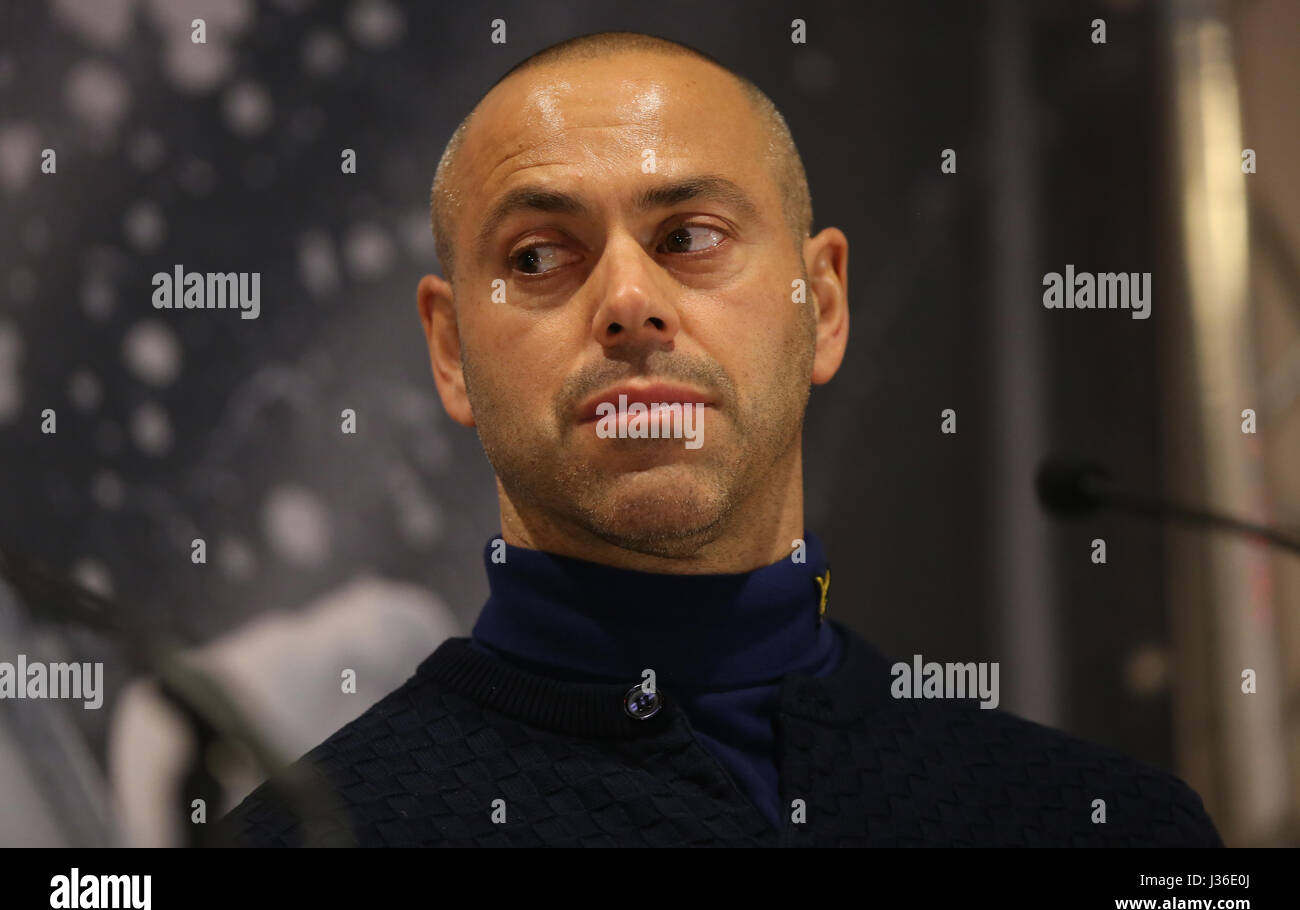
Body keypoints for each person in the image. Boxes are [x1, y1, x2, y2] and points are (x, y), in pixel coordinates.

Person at [219, 31, 1221, 847]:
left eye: (690, 237)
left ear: (820, 304)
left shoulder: (1108, 829)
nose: (626, 302)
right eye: (537, 255)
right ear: (449, 349)